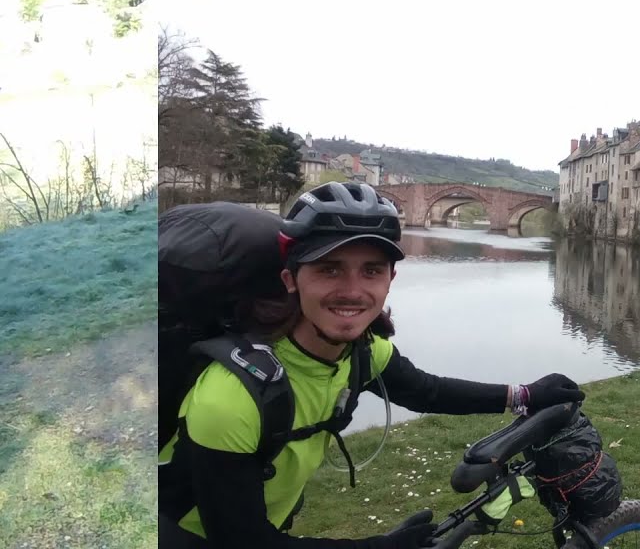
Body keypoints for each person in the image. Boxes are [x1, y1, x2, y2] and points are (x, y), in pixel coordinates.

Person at [158, 181, 586, 548]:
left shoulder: (362, 349)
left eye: (371, 270)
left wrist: (524, 394)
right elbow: (246, 544)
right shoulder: (229, 397)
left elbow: (425, 390)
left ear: (390, 280)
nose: (351, 291)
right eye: (329, 269)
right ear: (291, 280)